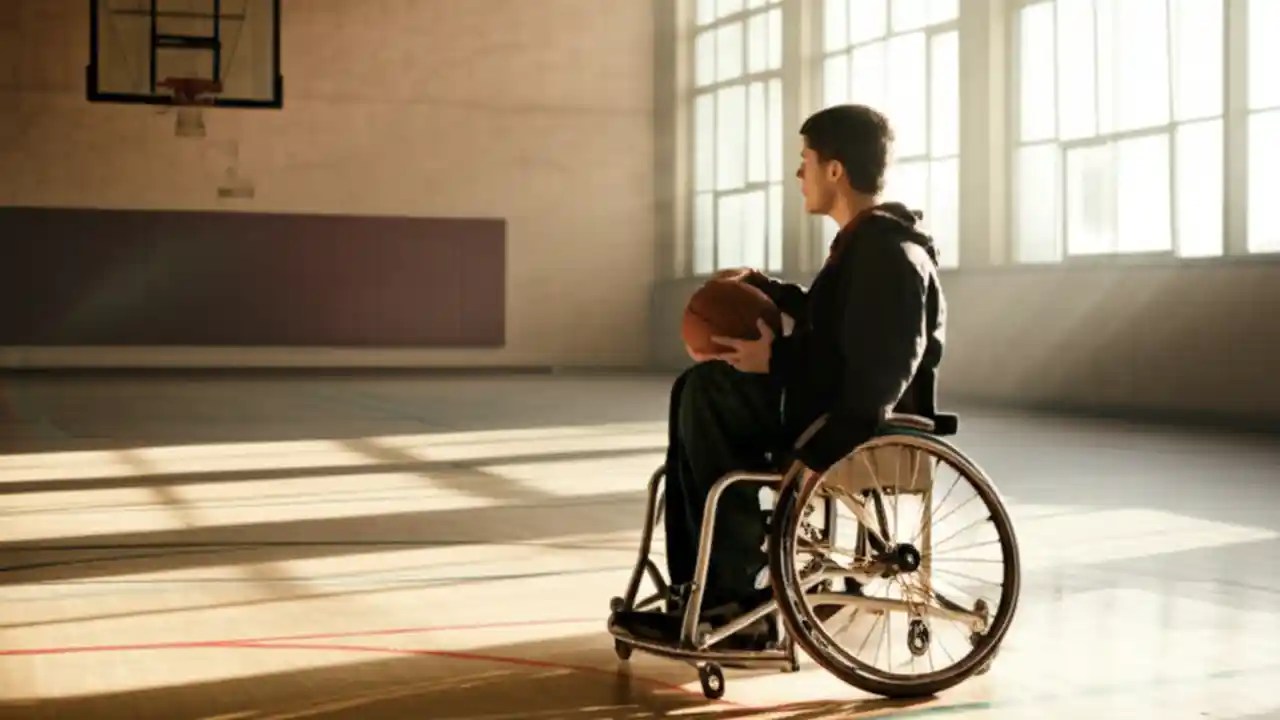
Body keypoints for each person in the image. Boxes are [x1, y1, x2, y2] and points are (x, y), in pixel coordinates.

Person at [613, 104, 946, 646]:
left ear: (834, 170)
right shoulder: (864, 245)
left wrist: (782, 371)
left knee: (709, 393)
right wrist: (764, 286)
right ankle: (697, 590)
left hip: (847, 425)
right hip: (819, 405)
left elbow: (882, 366)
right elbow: (827, 321)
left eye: (804, 161)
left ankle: (732, 602)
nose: (799, 175)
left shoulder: (891, 253)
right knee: (696, 390)